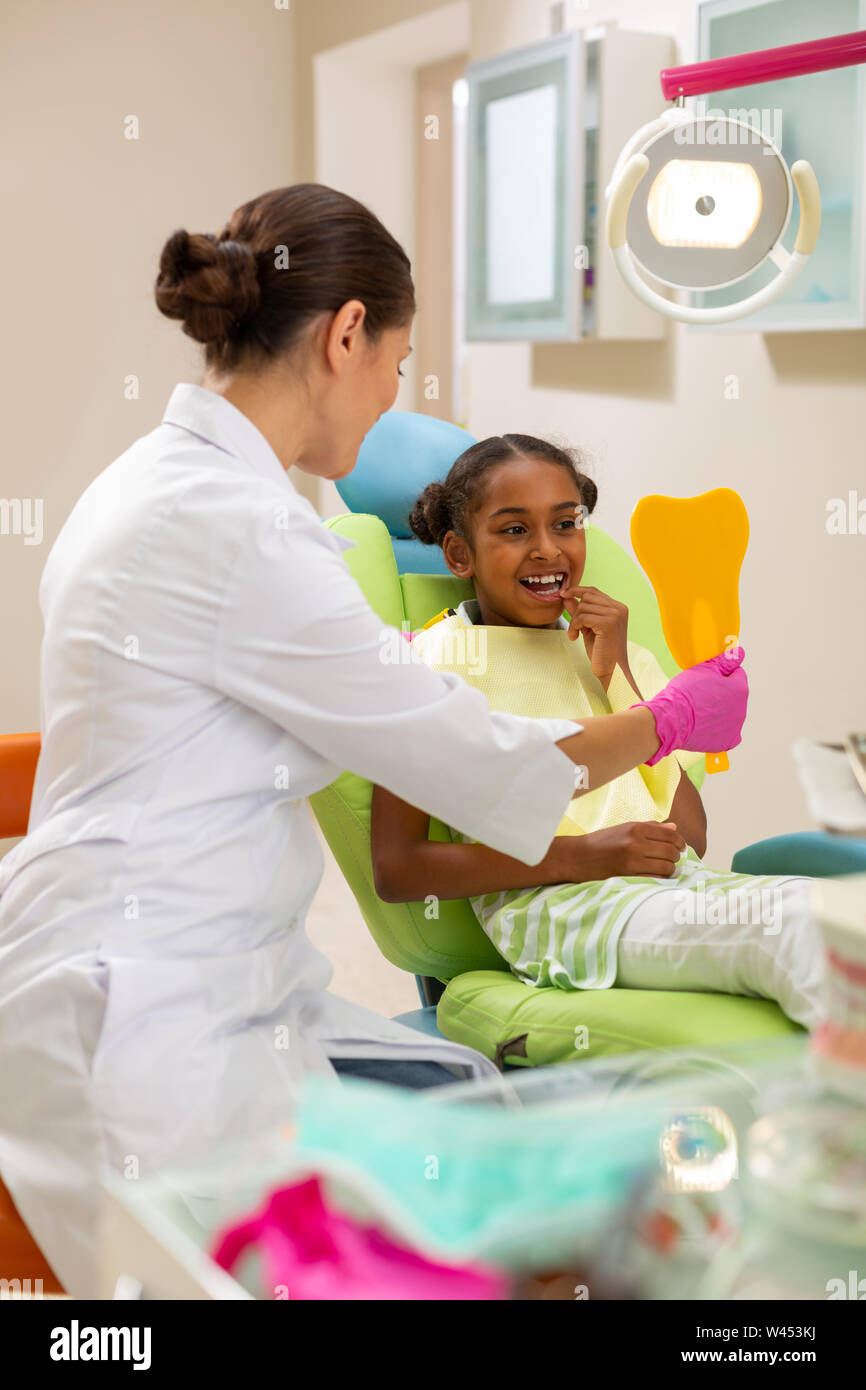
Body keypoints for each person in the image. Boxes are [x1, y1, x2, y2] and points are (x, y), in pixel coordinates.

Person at [0, 185, 747, 1296]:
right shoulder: (247, 533)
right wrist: (662, 722)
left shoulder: (155, 483)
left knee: (472, 1123)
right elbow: (468, 756)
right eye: (398, 361)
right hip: (150, 1013)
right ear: (347, 333)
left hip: (199, 964)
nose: (395, 394)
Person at [371, 434, 821, 1027]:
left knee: (837, 918)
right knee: (795, 940)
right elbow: (399, 869)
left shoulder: (609, 654)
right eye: (513, 530)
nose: (546, 550)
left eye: (566, 524)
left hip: (675, 887)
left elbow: (689, 832)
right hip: (564, 912)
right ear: (459, 554)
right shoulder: (430, 665)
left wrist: (619, 676)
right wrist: (580, 856)